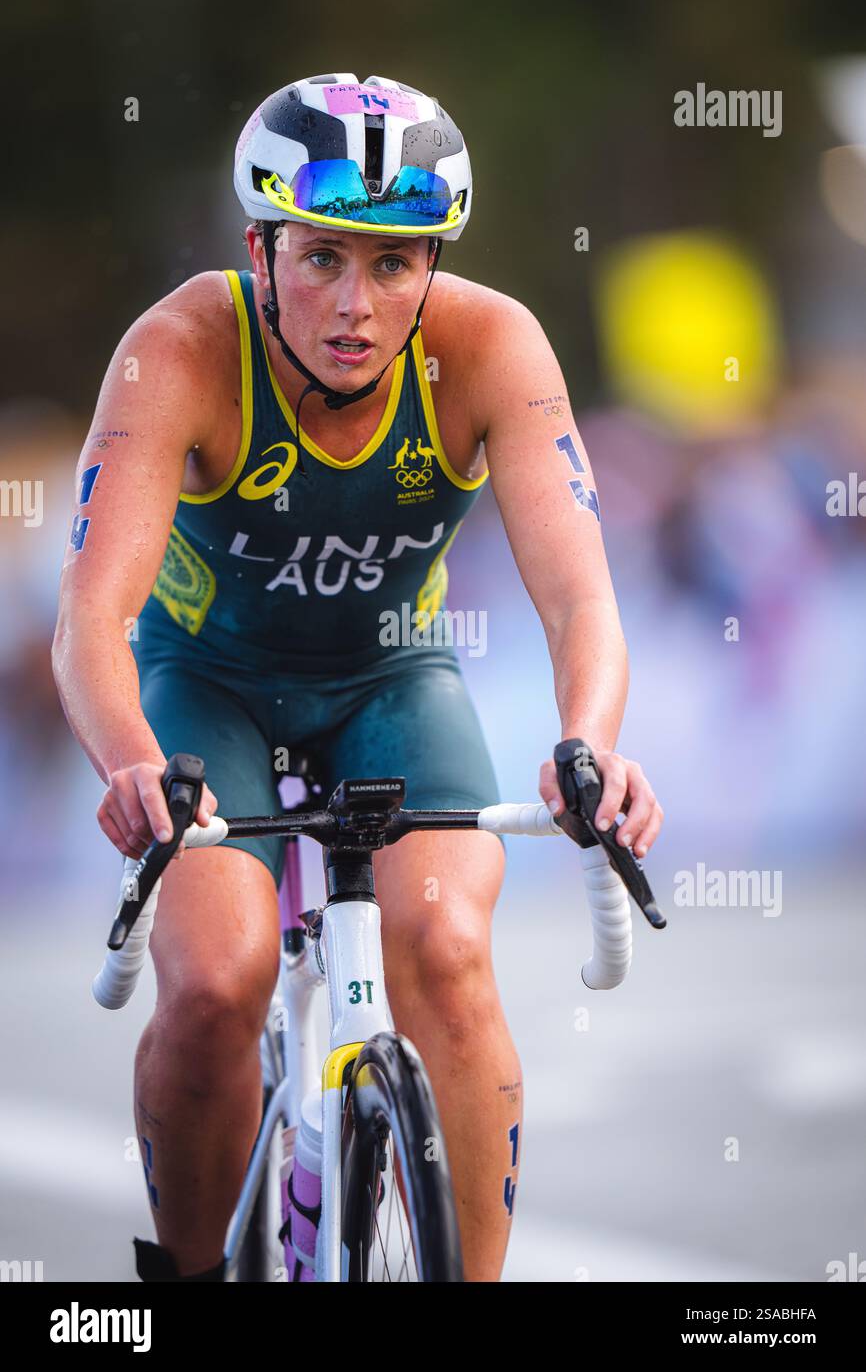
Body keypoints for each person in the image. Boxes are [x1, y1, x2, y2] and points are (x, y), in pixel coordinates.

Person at [52, 72, 663, 1283]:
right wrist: (132, 763)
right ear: (259, 251)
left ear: (431, 267)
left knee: (445, 948)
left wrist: (589, 742)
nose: (355, 304)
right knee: (216, 981)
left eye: (393, 265)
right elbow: (90, 619)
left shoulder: (490, 346)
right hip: (206, 690)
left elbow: (580, 597)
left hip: (393, 681)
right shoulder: (180, 349)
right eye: (322, 257)